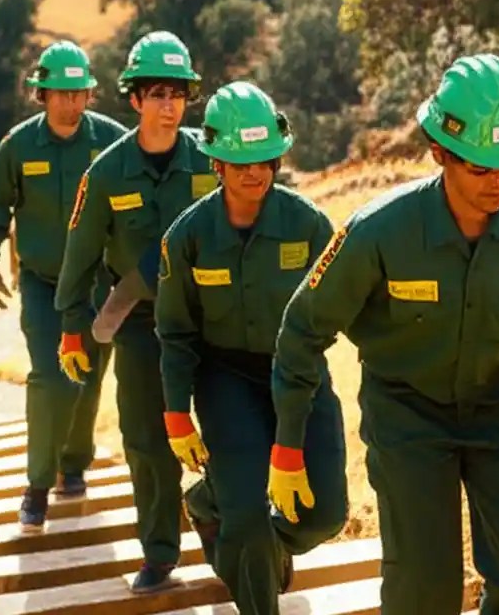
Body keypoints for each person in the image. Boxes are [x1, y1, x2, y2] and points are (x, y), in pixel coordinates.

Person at [269, 53, 499, 614]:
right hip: (407, 416)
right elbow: (302, 329)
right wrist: (288, 444)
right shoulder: (379, 231)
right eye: (481, 168)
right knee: (423, 586)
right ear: (439, 152)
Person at [93, 81, 350, 613]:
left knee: (324, 514)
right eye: (240, 163)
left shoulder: (308, 223)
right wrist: (176, 415)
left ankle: (212, 503)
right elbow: (176, 334)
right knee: (250, 519)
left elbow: (347, 304)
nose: (255, 172)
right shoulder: (188, 236)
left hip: (297, 375)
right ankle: (239, 532)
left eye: (265, 160)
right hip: (224, 378)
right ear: (216, 164)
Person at [53, 30, 219, 593]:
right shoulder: (105, 173)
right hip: (142, 323)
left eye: (178, 93)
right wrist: (73, 328)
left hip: (211, 316)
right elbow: (78, 256)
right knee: (147, 439)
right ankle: (159, 552)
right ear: (134, 99)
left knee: (232, 426)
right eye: (156, 94)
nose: (169, 106)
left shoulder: (213, 156)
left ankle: (232, 529)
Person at [0, 40, 127, 531]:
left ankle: (74, 463)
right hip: (42, 283)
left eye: (78, 93)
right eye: (59, 93)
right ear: (41, 95)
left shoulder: (111, 141)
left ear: (89, 95)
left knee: (90, 375)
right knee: (50, 376)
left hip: (101, 284)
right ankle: (37, 487)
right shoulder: (18, 146)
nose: (69, 102)